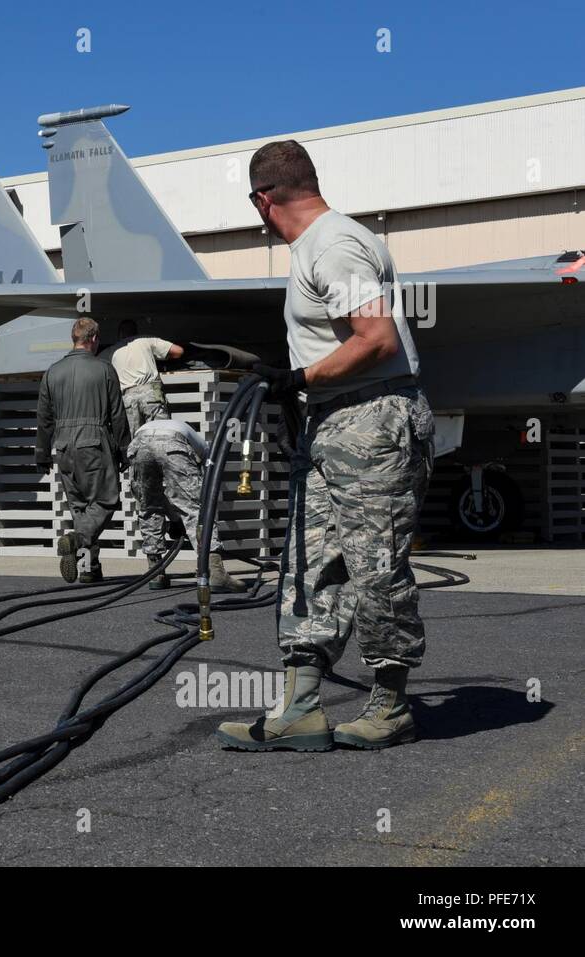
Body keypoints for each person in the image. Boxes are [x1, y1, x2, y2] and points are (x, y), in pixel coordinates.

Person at [216, 140, 433, 752]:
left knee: (375, 563)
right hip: (335, 422)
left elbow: (376, 339)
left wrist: (300, 378)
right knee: (309, 563)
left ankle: (390, 705)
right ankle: (300, 707)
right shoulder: (321, 245)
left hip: (371, 422)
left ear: (263, 201)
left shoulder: (333, 246)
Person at [36, 318, 130, 584]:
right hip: (94, 442)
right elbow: (117, 415)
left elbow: (44, 418)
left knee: (80, 507)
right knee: (105, 499)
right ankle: (78, 540)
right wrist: (124, 450)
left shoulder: (52, 372)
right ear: (94, 338)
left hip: (63, 446)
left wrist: (41, 453)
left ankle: (90, 568)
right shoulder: (104, 369)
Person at [127, 417, 245, 593]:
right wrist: (184, 516)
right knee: (198, 509)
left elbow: (164, 494)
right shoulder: (200, 444)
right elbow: (204, 485)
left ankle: (156, 572)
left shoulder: (164, 425)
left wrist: (175, 519)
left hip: (138, 443)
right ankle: (215, 572)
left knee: (149, 508)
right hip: (172, 443)